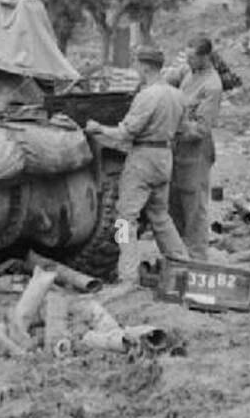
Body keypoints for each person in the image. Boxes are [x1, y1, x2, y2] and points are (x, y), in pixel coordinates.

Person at [84, 46, 190, 262]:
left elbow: (125, 133)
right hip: (165, 157)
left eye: (138, 66)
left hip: (143, 159)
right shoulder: (178, 95)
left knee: (124, 219)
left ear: (145, 67)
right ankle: (182, 262)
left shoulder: (147, 96)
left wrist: (99, 128)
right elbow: (182, 129)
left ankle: (127, 274)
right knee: (160, 215)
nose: (137, 71)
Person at [165, 37, 223, 255]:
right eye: (186, 57)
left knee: (194, 206)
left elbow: (201, 129)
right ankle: (178, 254)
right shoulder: (189, 71)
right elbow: (168, 78)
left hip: (196, 149)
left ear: (205, 57)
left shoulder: (212, 85)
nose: (188, 61)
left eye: (192, 57)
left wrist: (171, 124)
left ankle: (198, 257)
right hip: (177, 147)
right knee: (175, 202)